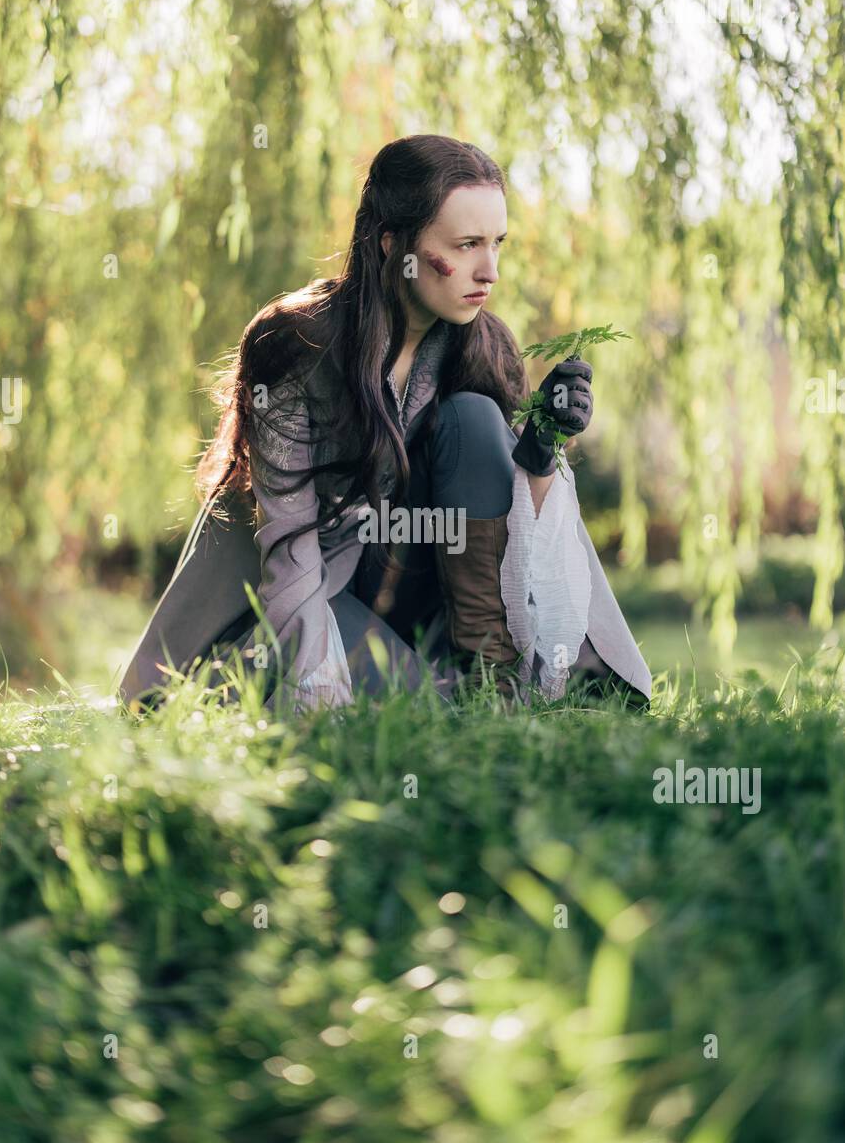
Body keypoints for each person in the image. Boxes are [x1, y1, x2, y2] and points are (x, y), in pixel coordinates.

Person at [118, 134, 652, 714]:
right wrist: (315, 689)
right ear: (392, 243)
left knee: (476, 420)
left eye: (497, 244)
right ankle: (439, 698)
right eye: (467, 244)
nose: (490, 271)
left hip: (412, 591)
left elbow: (511, 517)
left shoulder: (484, 346)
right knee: (426, 706)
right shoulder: (295, 346)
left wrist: (543, 447)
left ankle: (491, 681)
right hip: (299, 599)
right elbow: (288, 550)